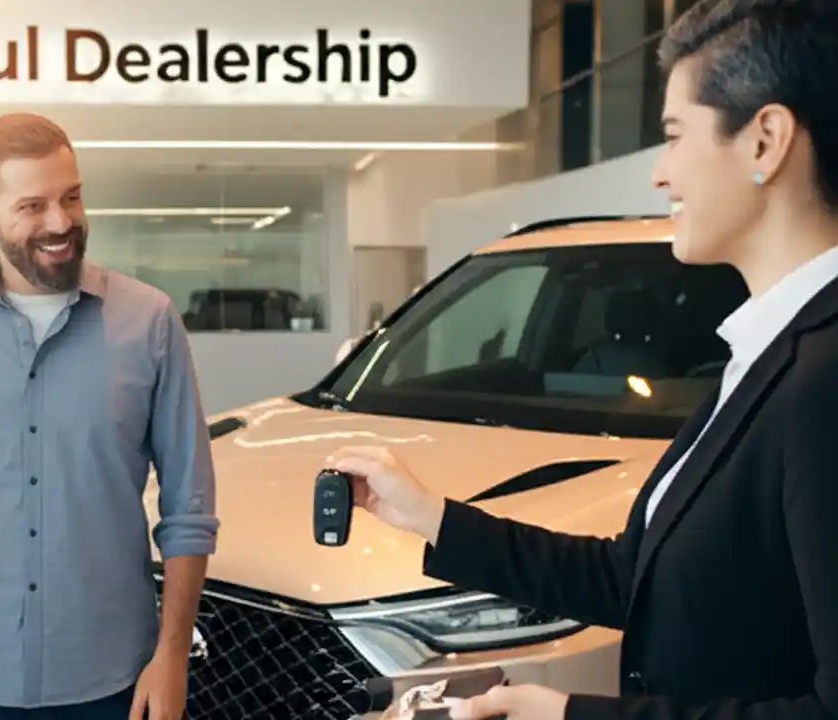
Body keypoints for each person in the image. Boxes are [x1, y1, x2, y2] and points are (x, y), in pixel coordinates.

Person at [329, 2, 838, 719]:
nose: (660, 174)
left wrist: (568, 715)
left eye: (673, 136)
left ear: (766, 141)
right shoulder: (767, 354)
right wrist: (431, 516)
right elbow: (633, 578)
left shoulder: (823, 378)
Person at [0, 113, 218, 720]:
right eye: (32, 206)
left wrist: (173, 655)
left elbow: (190, 506)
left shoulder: (149, 322)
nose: (60, 222)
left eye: (71, 197)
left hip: (116, 679)